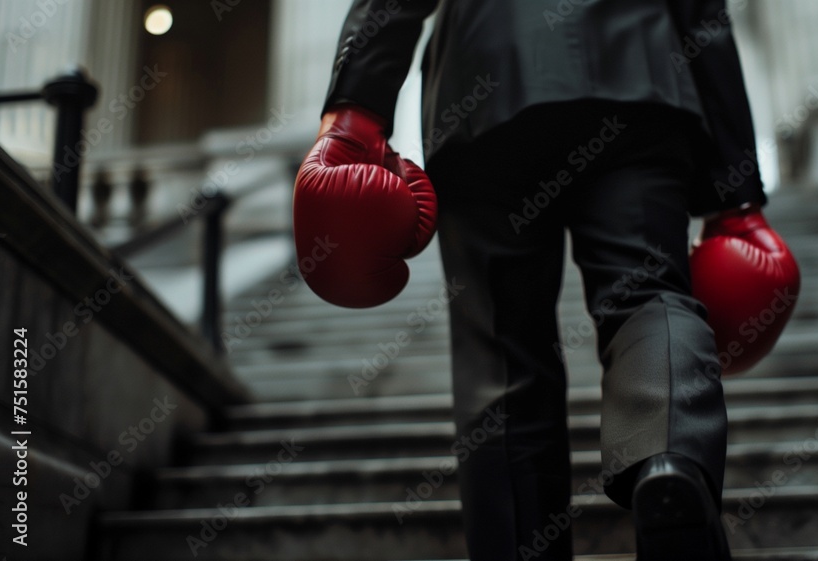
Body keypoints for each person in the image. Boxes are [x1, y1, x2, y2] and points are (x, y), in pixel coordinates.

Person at [301, 1, 783, 559]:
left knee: (501, 351)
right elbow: (703, 14)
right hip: (636, 78)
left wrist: (354, 109)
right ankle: (670, 460)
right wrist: (737, 196)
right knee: (649, 296)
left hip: (483, 88)